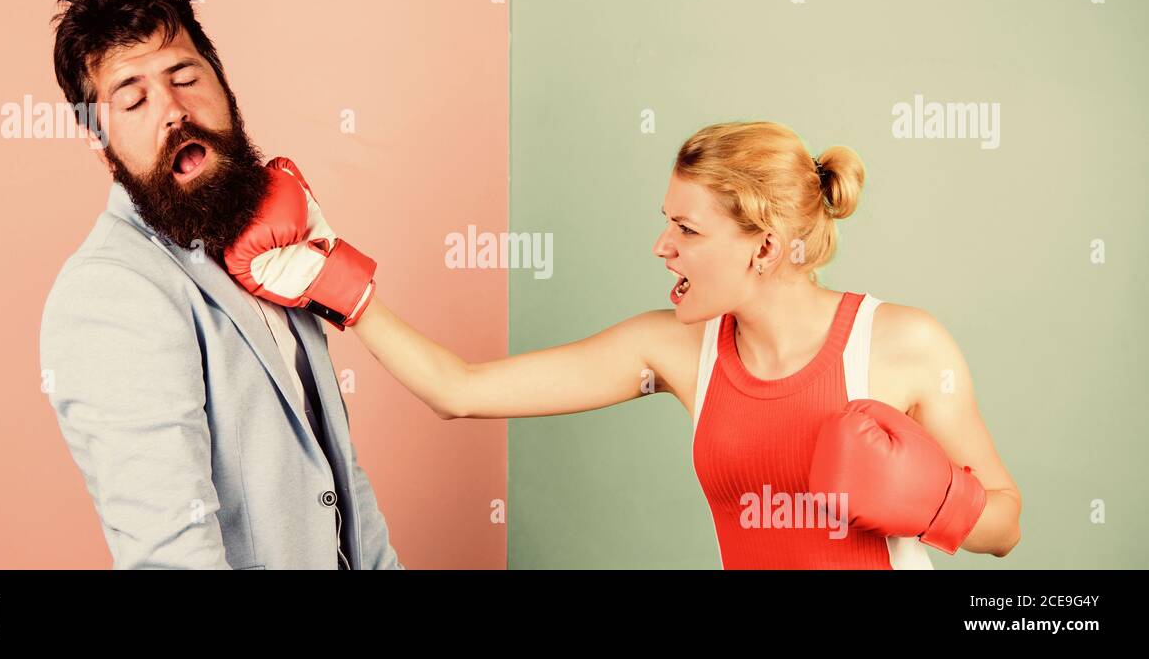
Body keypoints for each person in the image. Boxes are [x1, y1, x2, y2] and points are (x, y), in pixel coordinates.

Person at [228, 120, 1023, 569]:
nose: (660, 247)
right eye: (665, 222)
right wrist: (342, 285)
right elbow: (460, 390)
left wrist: (932, 502)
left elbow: (1006, 522)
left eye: (686, 229)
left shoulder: (906, 344)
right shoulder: (676, 351)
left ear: (766, 246)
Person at [39, 0, 401, 570]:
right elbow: (173, 554)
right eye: (133, 100)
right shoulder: (109, 294)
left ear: (225, 87)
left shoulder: (266, 241)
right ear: (103, 145)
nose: (175, 111)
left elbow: (337, 480)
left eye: (185, 78)